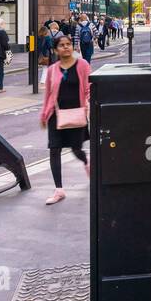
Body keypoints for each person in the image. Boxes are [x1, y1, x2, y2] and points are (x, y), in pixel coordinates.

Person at [40, 33, 91, 205]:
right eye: (62, 45)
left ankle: (86, 163)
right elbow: (48, 93)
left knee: (77, 149)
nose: (66, 47)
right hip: (57, 115)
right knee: (54, 149)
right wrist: (44, 114)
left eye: (68, 44)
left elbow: (88, 89)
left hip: (76, 113)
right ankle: (59, 189)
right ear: (56, 50)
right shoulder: (52, 70)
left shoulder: (83, 65)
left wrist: (88, 107)